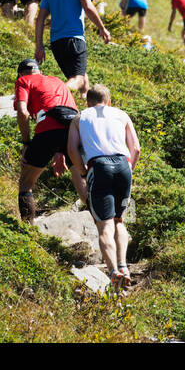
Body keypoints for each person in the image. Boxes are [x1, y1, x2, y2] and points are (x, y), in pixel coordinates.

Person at [67, 84, 140, 291]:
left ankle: (113, 271)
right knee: (119, 220)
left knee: (104, 225)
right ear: (109, 101)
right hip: (123, 165)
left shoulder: (80, 118)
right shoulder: (122, 115)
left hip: (98, 167)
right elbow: (136, 148)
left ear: (87, 101)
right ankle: (124, 266)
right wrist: (129, 170)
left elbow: (72, 149)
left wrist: (83, 173)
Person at [14, 59, 85, 222]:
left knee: (26, 183)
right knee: (81, 178)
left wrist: (26, 143)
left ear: (21, 73)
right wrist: (60, 150)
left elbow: (23, 112)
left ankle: (27, 229)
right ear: (39, 70)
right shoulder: (57, 81)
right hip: (73, 130)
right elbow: (66, 114)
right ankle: (101, 217)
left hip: (47, 131)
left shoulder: (23, 81)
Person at [35, 0, 111, 91]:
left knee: (81, 77)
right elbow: (87, 6)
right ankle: (55, 95)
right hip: (74, 39)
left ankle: (86, 104)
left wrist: (39, 46)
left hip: (56, 43)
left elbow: (40, 19)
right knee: (79, 78)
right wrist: (102, 28)